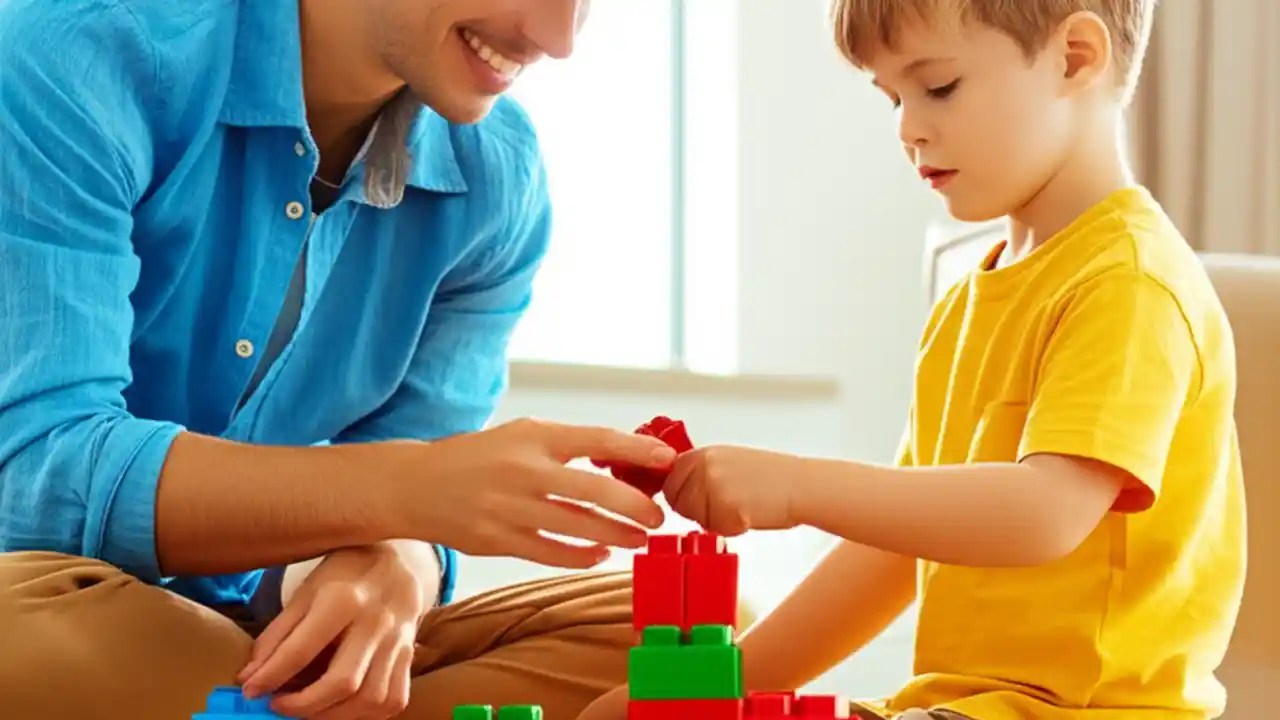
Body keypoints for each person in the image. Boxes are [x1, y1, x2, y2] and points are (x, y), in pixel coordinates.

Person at [0, 1, 679, 718]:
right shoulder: (78, 52)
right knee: (29, 636)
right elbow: (35, 475)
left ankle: (256, 701)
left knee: (685, 633)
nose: (558, 39)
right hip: (54, 596)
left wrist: (398, 559)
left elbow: (416, 487)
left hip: (252, 636)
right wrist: (404, 492)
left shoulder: (498, 181)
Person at [579, 1, 1246, 719]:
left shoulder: (1128, 282)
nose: (907, 128)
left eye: (940, 88)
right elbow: (893, 554)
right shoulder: (968, 301)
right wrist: (721, 689)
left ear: (1074, 57)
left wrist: (797, 486)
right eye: (893, 97)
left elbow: (1044, 514)